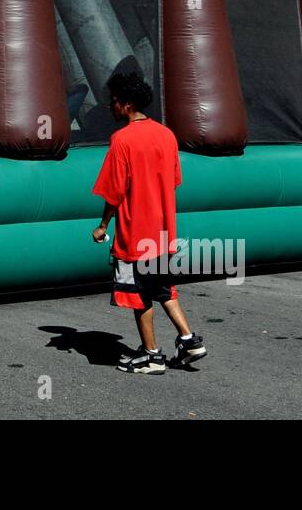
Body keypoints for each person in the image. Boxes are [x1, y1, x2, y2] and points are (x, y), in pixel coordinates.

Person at [91, 72, 207, 375]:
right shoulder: (166, 135)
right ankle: (188, 339)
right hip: (163, 231)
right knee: (163, 288)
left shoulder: (122, 140)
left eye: (114, 102)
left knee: (139, 295)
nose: (111, 108)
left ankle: (151, 356)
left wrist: (103, 226)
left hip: (134, 233)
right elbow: (174, 181)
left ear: (127, 104)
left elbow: (113, 192)